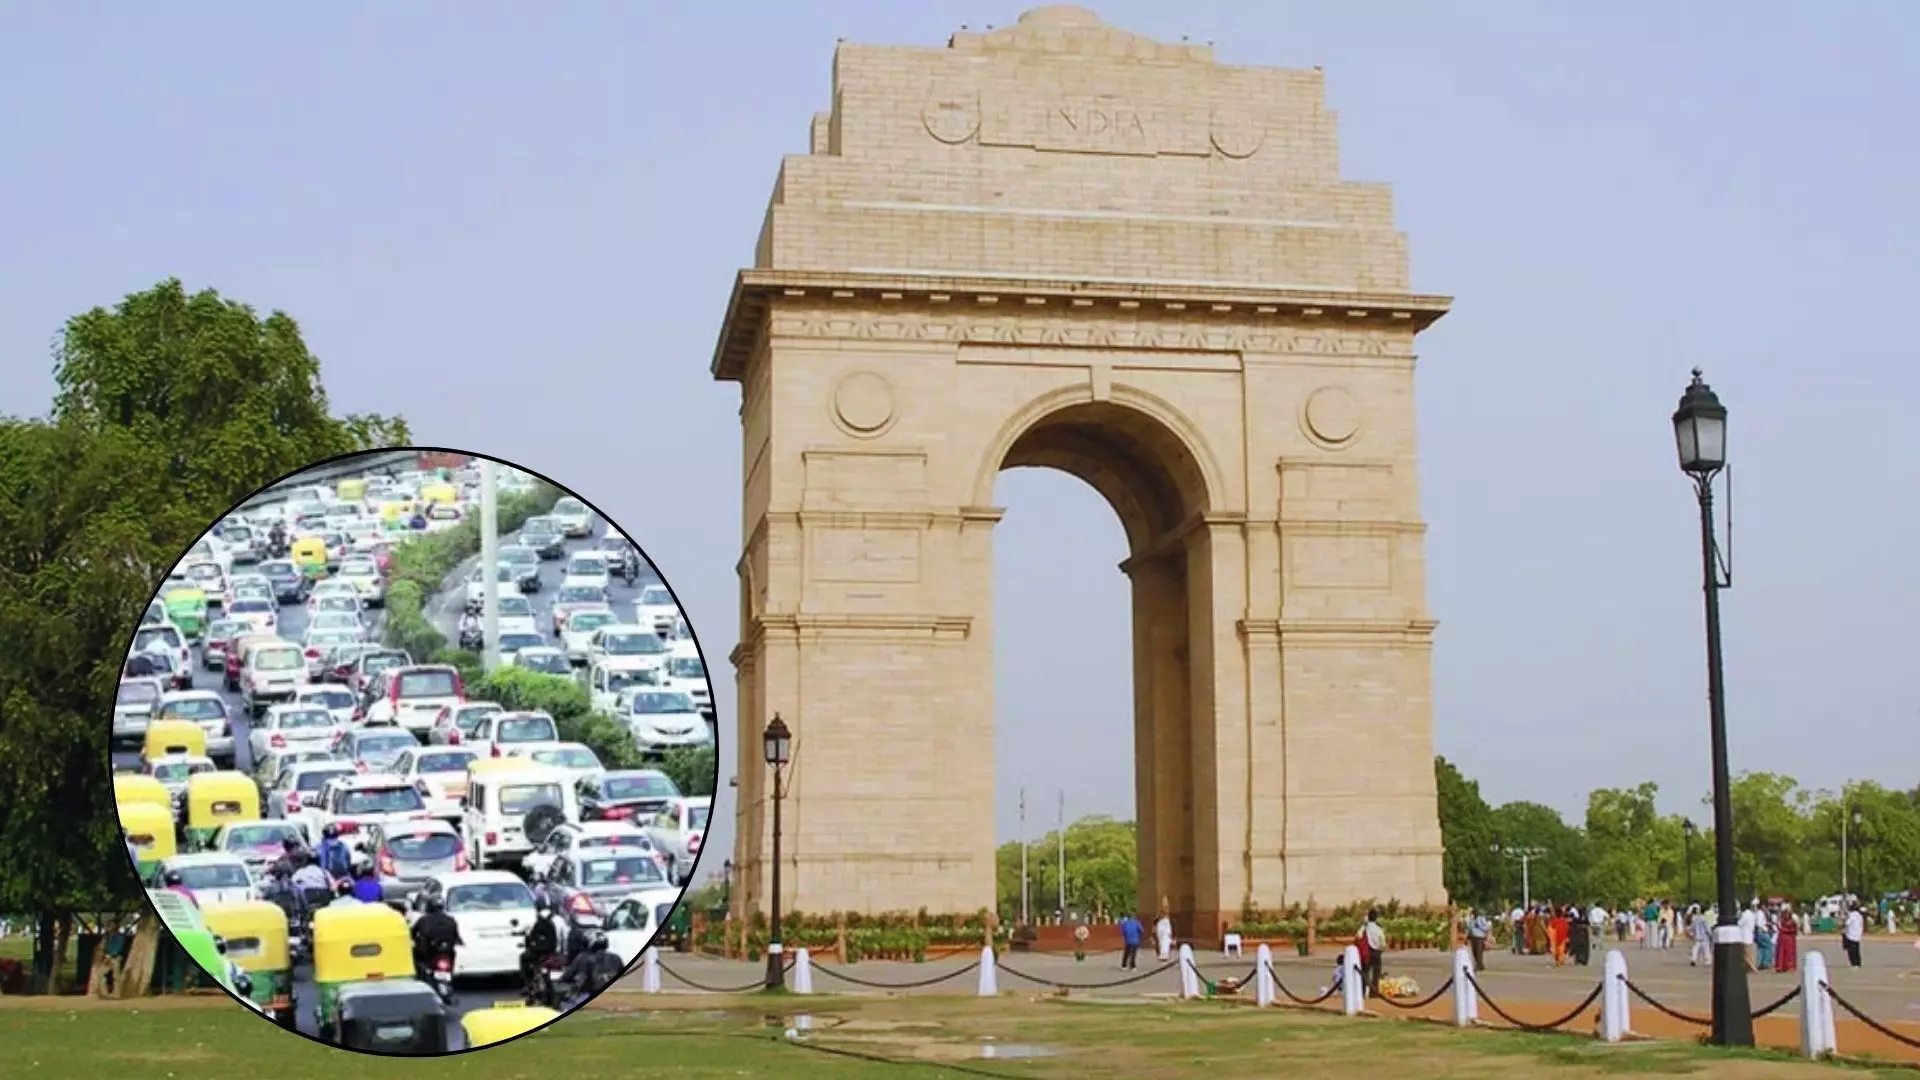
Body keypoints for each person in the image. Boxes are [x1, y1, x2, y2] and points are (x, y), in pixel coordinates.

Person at [560, 931, 625, 1005]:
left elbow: (566, 977)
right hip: (613, 997)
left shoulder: (582, 957)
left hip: (588, 996)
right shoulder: (616, 958)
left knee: (564, 1003)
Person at [412, 895, 465, 973]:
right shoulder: (450, 919)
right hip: (441, 954)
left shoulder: (424, 920)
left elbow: (413, 932)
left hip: (432, 953)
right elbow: (457, 936)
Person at [520, 898, 562, 987]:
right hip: (556, 952)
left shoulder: (534, 920)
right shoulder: (560, 920)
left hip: (539, 953)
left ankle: (527, 983)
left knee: (524, 957)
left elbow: (530, 935)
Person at [1359, 909, 1387, 998]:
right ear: (1376, 918)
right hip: (1377, 953)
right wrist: (1382, 949)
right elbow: (1382, 942)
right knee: (1376, 974)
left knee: (1365, 972)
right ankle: (1374, 993)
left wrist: (1363, 924)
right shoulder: (1379, 929)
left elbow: (1358, 936)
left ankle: (1362, 992)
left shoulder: (1365, 928)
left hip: (1367, 952)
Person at [1775, 904, 1799, 973]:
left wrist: (1786, 930)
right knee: (1781, 953)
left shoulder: (1792, 921)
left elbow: (1795, 930)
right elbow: (1779, 926)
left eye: (1787, 914)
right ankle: (1780, 966)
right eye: (1785, 914)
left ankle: (1789, 966)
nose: (1786, 915)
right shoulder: (1782, 920)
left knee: (1789, 953)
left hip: (1790, 938)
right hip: (1783, 938)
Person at [1466, 908, 1490, 972]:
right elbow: (1469, 928)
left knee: (1479, 952)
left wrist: (1479, 926)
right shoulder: (1471, 920)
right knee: (1474, 953)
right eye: (1472, 913)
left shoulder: (1481, 919)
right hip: (1473, 937)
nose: (1473, 915)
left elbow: (1487, 927)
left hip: (1480, 938)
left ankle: (1478, 966)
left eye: (1474, 913)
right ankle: (1480, 965)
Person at [1843, 902, 1865, 967]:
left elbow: (1847, 923)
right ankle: (1858, 962)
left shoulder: (1852, 915)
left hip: (1851, 935)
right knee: (1857, 950)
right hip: (1858, 935)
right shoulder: (1860, 916)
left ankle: (1854, 963)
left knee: (1851, 951)